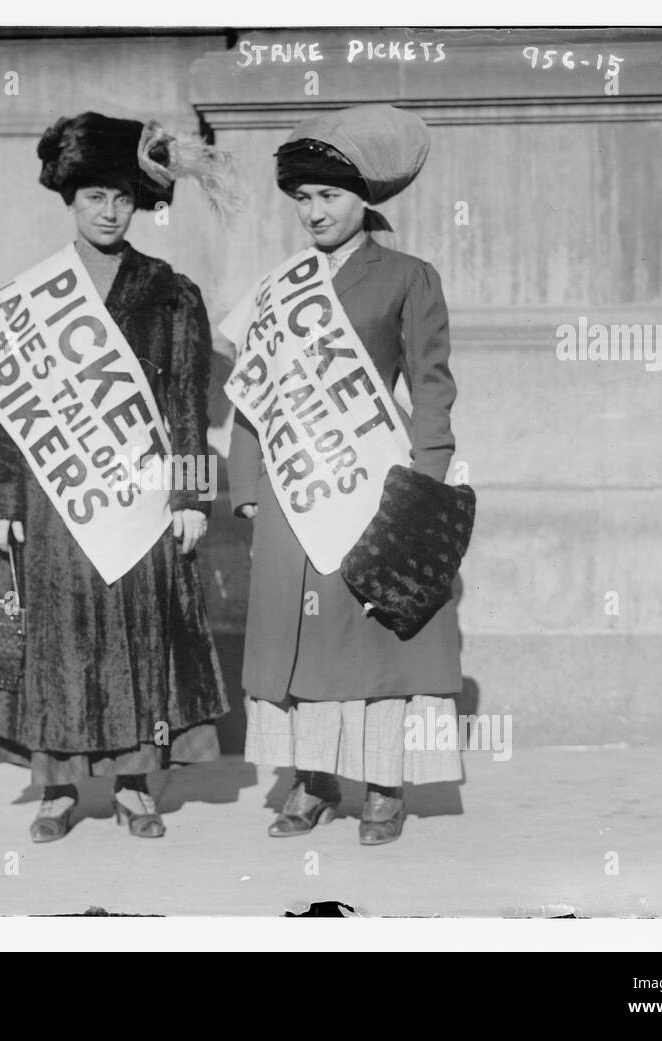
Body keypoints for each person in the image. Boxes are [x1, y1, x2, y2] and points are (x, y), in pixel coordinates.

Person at [0, 112, 235, 842]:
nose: (109, 210)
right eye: (94, 196)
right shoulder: (33, 297)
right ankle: (57, 786)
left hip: (140, 499)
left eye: (122, 196)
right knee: (56, 641)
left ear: (140, 203)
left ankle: (131, 782)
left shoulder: (169, 293)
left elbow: (187, 401)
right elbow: (6, 409)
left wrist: (190, 497)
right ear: (70, 200)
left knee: (134, 638)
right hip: (56, 497)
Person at [227, 104, 463, 846]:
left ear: (365, 200)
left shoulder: (407, 277)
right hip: (293, 493)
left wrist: (423, 487)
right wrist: (244, 492)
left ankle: (385, 787)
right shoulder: (277, 289)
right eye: (303, 198)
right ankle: (312, 781)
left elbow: (431, 386)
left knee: (374, 640)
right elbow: (248, 400)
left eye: (328, 196)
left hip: (370, 485)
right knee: (300, 643)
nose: (314, 212)